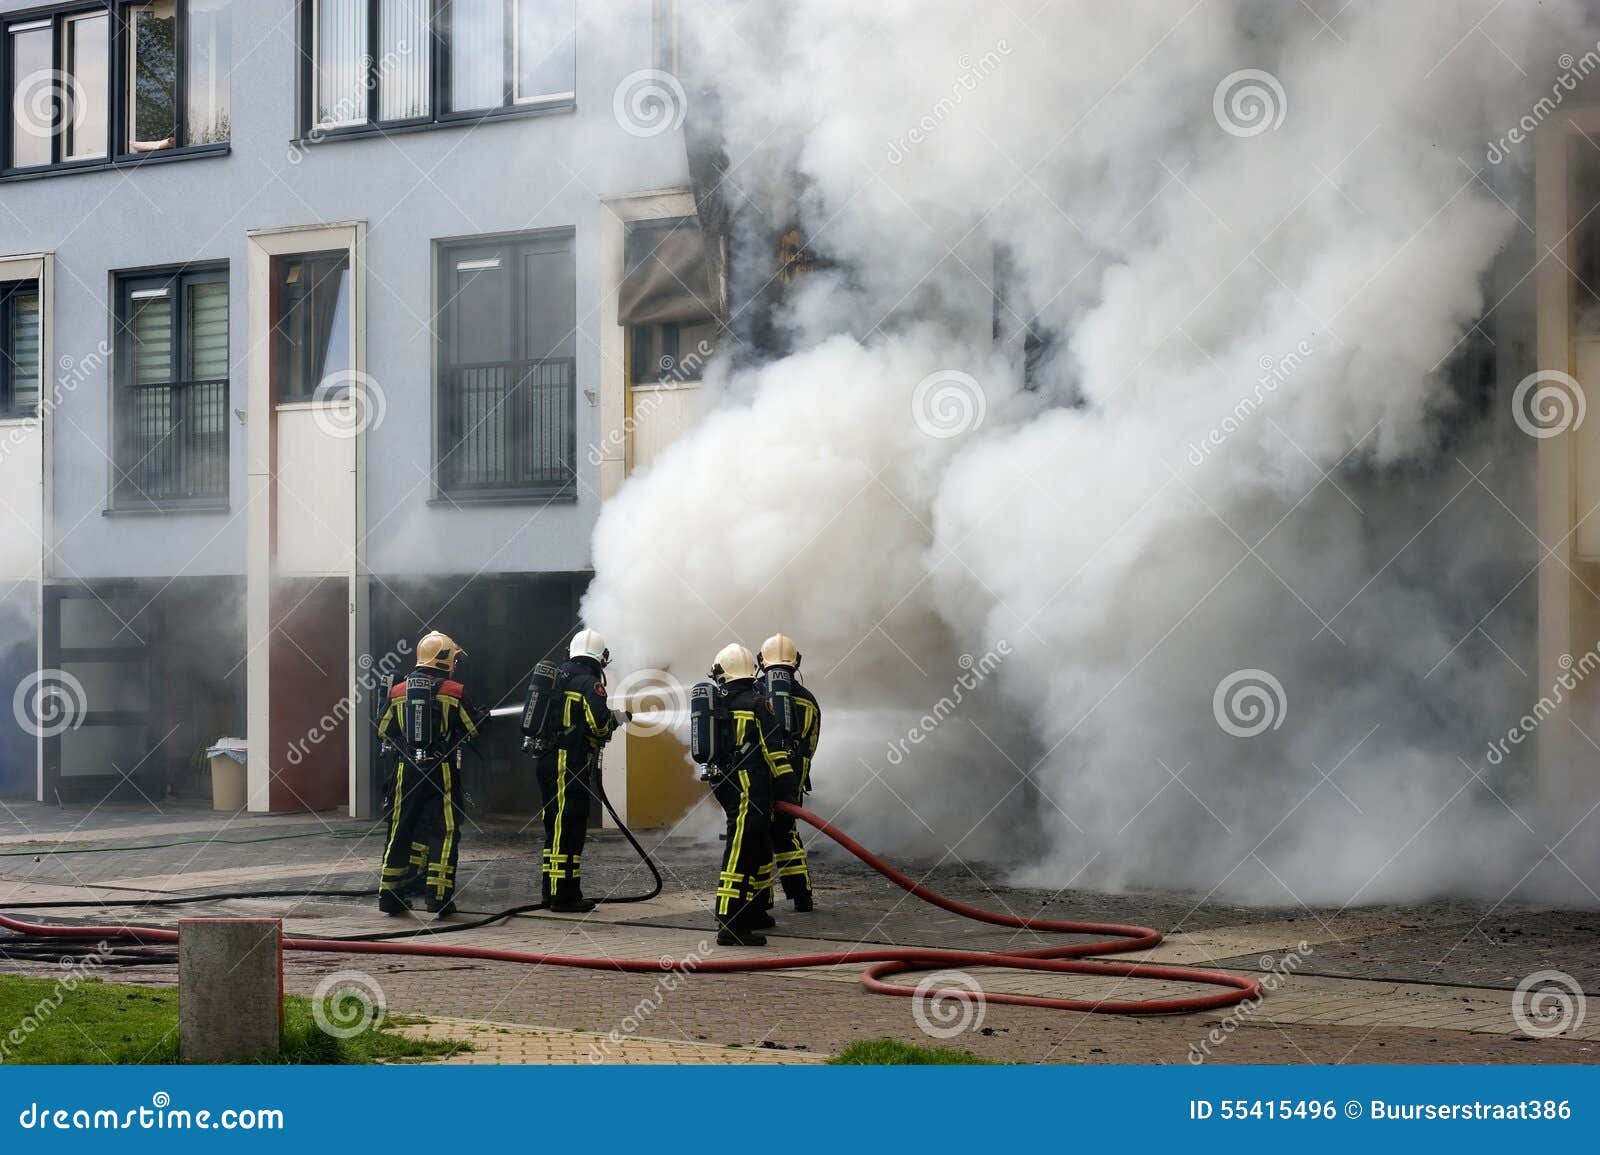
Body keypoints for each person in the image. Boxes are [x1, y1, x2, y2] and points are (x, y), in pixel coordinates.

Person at [376, 630, 481, 916]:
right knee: (444, 831)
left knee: (399, 829)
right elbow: (473, 729)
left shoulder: (398, 691)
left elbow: (383, 729)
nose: (455, 665)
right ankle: (439, 896)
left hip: (405, 770)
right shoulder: (454, 691)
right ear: (444, 658)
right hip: (441, 770)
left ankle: (390, 895)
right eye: (454, 659)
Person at [705, 643, 792, 947]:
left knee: (755, 847)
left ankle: (753, 912)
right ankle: (730, 923)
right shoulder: (758, 704)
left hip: (728, 784)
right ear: (750, 671)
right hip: (749, 787)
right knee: (742, 850)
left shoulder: (720, 703)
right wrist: (788, 789)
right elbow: (774, 752)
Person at [535, 629, 628, 913]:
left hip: (547, 761)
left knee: (555, 825)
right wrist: (617, 719)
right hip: (569, 763)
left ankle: (551, 891)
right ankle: (564, 897)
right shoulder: (589, 684)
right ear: (600, 658)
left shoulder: (557, 676)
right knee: (570, 826)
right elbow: (599, 726)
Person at [757, 633, 821, 913]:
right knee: (787, 834)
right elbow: (811, 744)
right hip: (793, 778)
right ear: (797, 663)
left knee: (758, 836)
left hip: (760, 775)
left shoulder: (756, 695)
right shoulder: (808, 700)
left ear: (761, 662)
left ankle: (762, 901)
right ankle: (802, 897)